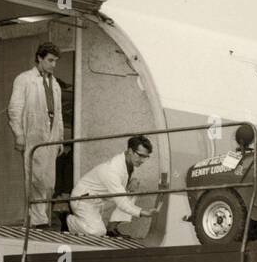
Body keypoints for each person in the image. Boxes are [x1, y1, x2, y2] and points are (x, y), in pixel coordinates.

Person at [8, 42, 65, 228]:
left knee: (48, 181)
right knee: (35, 177)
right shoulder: (24, 79)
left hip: (51, 133)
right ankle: (37, 219)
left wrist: (60, 139)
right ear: (39, 58)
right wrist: (19, 134)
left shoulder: (54, 83)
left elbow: (59, 113)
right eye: (50, 60)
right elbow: (15, 108)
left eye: (56, 61)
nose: (53, 65)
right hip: (33, 132)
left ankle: (41, 217)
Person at [67, 135, 154, 236]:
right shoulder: (112, 169)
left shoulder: (127, 163)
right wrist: (144, 213)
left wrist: (134, 180)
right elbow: (121, 202)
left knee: (132, 190)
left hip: (99, 200)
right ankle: (69, 220)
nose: (142, 160)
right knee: (98, 232)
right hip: (83, 200)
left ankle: (111, 229)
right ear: (130, 151)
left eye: (146, 157)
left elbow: (123, 191)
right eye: (140, 155)